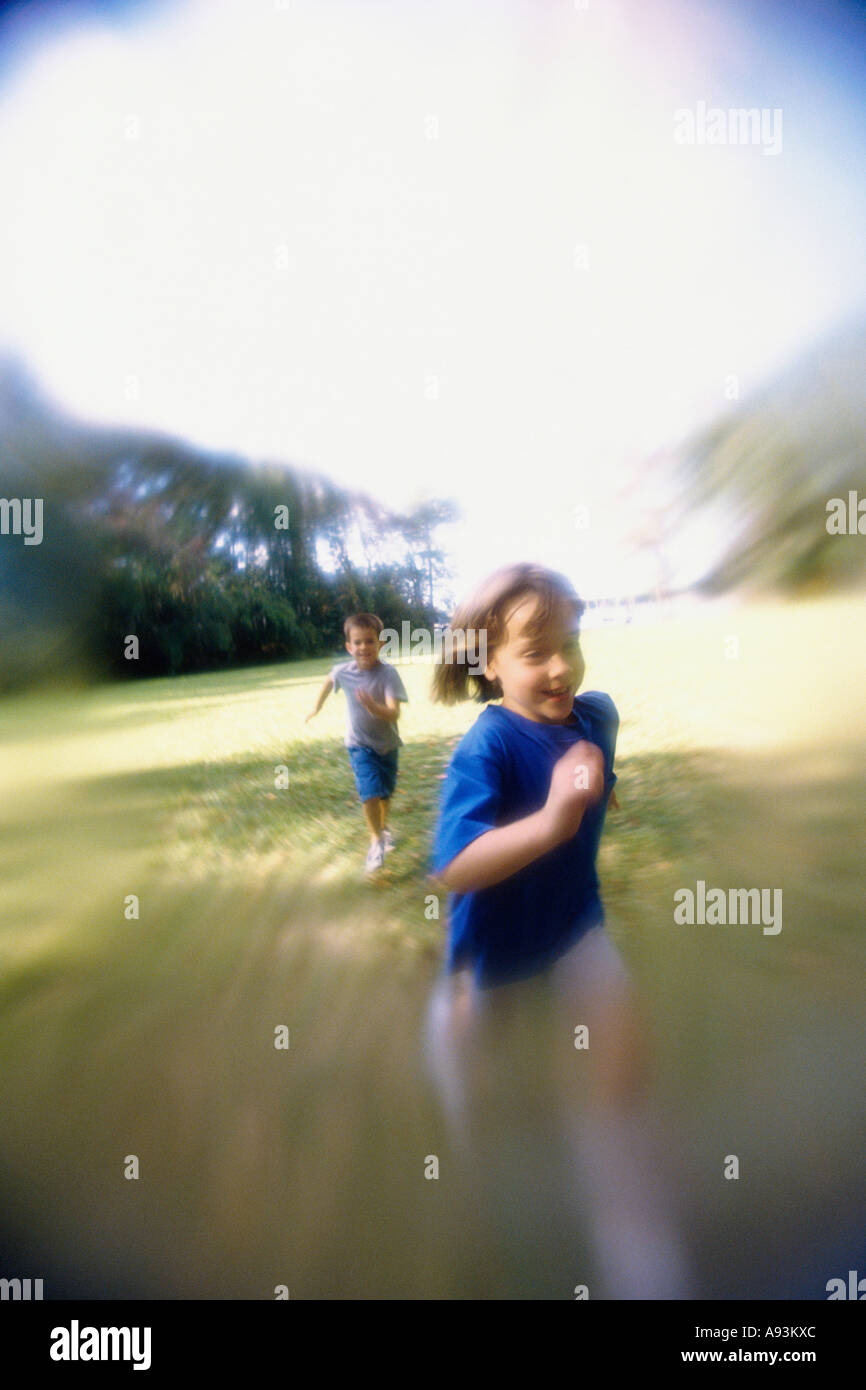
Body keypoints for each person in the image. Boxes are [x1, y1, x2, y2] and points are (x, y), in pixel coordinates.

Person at [424, 563, 692, 1298]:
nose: (562, 666)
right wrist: (549, 820)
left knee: (618, 1095)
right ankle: (471, 1171)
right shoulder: (489, 747)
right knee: (478, 1092)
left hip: (576, 926)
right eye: (535, 651)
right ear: (488, 663)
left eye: (569, 642)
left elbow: (595, 773)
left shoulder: (596, 715)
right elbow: (456, 866)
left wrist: (599, 788)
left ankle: (641, 1260)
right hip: (492, 952)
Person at [306, 612, 408, 875]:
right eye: (358, 642)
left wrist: (374, 707)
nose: (364, 647)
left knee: (385, 793)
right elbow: (329, 680)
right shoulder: (344, 671)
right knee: (370, 792)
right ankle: (376, 841)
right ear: (349, 646)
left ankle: (384, 829)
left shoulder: (388, 674)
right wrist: (316, 707)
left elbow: (394, 713)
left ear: (381, 644)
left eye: (370, 641)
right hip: (359, 744)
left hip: (387, 745)